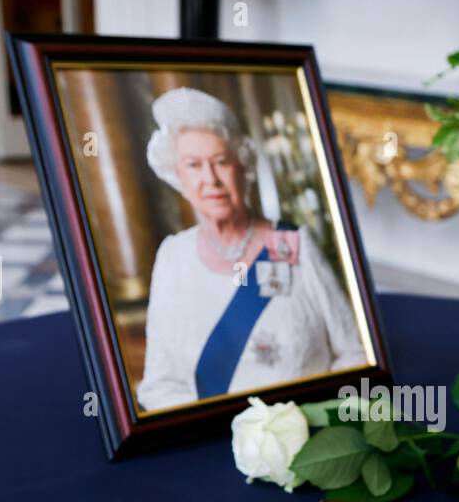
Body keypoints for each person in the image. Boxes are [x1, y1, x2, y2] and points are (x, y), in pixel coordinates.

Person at [136, 87, 366, 412]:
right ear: (177, 176)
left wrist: (311, 425)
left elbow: (356, 354)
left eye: (221, 162)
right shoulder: (173, 257)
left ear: (243, 167)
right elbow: (159, 384)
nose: (210, 179)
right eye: (193, 165)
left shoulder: (292, 244)